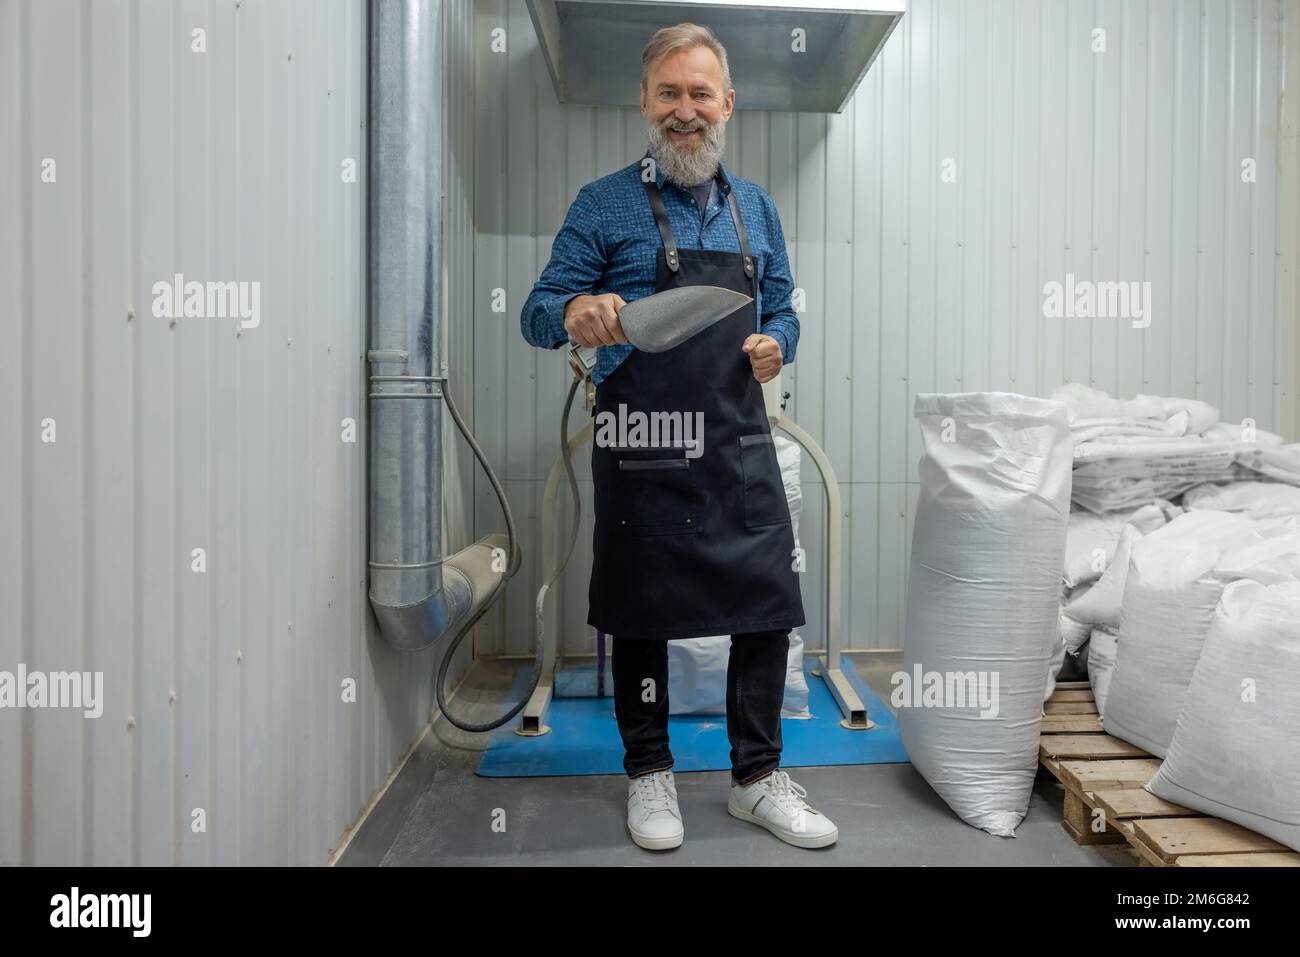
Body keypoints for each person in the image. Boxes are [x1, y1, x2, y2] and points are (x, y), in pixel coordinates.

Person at [521, 22, 837, 852]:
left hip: (738, 444)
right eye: (670, 93)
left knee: (768, 608)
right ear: (646, 103)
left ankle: (757, 778)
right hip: (643, 443)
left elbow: (784, 307)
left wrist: (780, 343)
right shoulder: (603, 204)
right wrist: (572, 312)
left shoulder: (756, 208)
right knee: (642, 613)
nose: (685, 110)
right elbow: (536, 310)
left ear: (727, 104)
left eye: (701, 93)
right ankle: (649, 772)